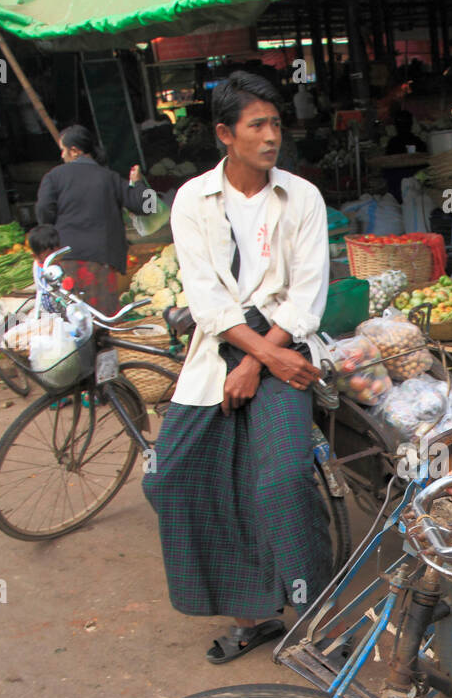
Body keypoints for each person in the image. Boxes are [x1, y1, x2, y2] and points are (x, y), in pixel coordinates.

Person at [143, 71, 333, 663]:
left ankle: (317, 614)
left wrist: (265, 357)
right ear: (225, 134)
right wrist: (256, 353)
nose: (271, 135)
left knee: (279, 482)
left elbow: (307, 293)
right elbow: (205, 297)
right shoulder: (193, 200)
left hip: (285, 345)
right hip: (219, 348)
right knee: (168, 477)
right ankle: (253, 607)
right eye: (258, 125)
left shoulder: (301, 196)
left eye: (275, 123)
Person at [35, 125, 147, 313]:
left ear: (75, 151)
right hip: (103, 260)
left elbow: (44, 211)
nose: (62, 156)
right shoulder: (110, 177)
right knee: (101, 319)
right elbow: (147, 206)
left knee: (71, 319)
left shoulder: (53, 176)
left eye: (63, 150)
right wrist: (139, 183)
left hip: (64, 258)